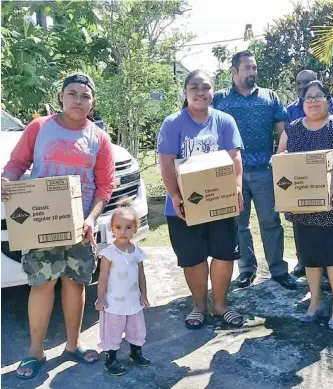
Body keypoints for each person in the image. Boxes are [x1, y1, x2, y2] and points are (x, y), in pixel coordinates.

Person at [1, 72, 115, 379]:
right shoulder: (39, 128)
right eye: (73, 94)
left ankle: (72, 346)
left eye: (85, 96)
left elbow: (105, 187)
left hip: (80, 227)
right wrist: (7, 181)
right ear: (61, 97)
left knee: (75, 284)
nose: (79, 101)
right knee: (41, 284)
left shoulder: (99, 138)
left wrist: (91, 220)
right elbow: (16, 164)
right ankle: (35, 352)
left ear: (93, 102)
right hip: (42, 221)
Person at [157, 69, 245, 329]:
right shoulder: (173, 123)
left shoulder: (225, 121)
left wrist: (237, 188)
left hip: (220, 203)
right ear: (185, 92)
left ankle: (220, 304)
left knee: (223, 254)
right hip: (184, 206)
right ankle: (199, 305)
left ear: (212, 92)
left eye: (205, 87)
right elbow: (166, 163)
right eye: (194, 87)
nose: (200, 92)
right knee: (193, 257)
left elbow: (234, 158)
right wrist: (174, 196)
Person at [213, 50, 296, 290]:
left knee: (271, 221)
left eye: (254, 67)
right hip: (230, 173)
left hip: (264, 170)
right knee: (239, 224)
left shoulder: (270, 97)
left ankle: (278, 269)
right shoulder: (220, 99)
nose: (252, 72)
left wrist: (281, 159)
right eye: (247, 68)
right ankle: (246, 270)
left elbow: (284, 132)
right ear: (234, 71)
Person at [278, 80, 333, 330]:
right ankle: (315, 302)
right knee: (310, 258)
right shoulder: (291, 129)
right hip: (303, 208)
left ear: (328, 100)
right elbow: (280, 162)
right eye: (308, 97)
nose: (313, 100)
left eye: (318, 96)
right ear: (302, 103)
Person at [96, 201, 150, 376]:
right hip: (113, 303)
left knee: (136, 328)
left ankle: (136, 352)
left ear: (135, 228)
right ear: (112, 228)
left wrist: (144, 295)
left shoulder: (137, 252)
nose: (122, 231)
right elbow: (102, 277)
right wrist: (101, 298)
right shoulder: (109, 253)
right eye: (118, 227)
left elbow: (141, 275)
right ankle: (111, 358)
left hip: (133, 300)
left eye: (128, 227)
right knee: (113, 330)